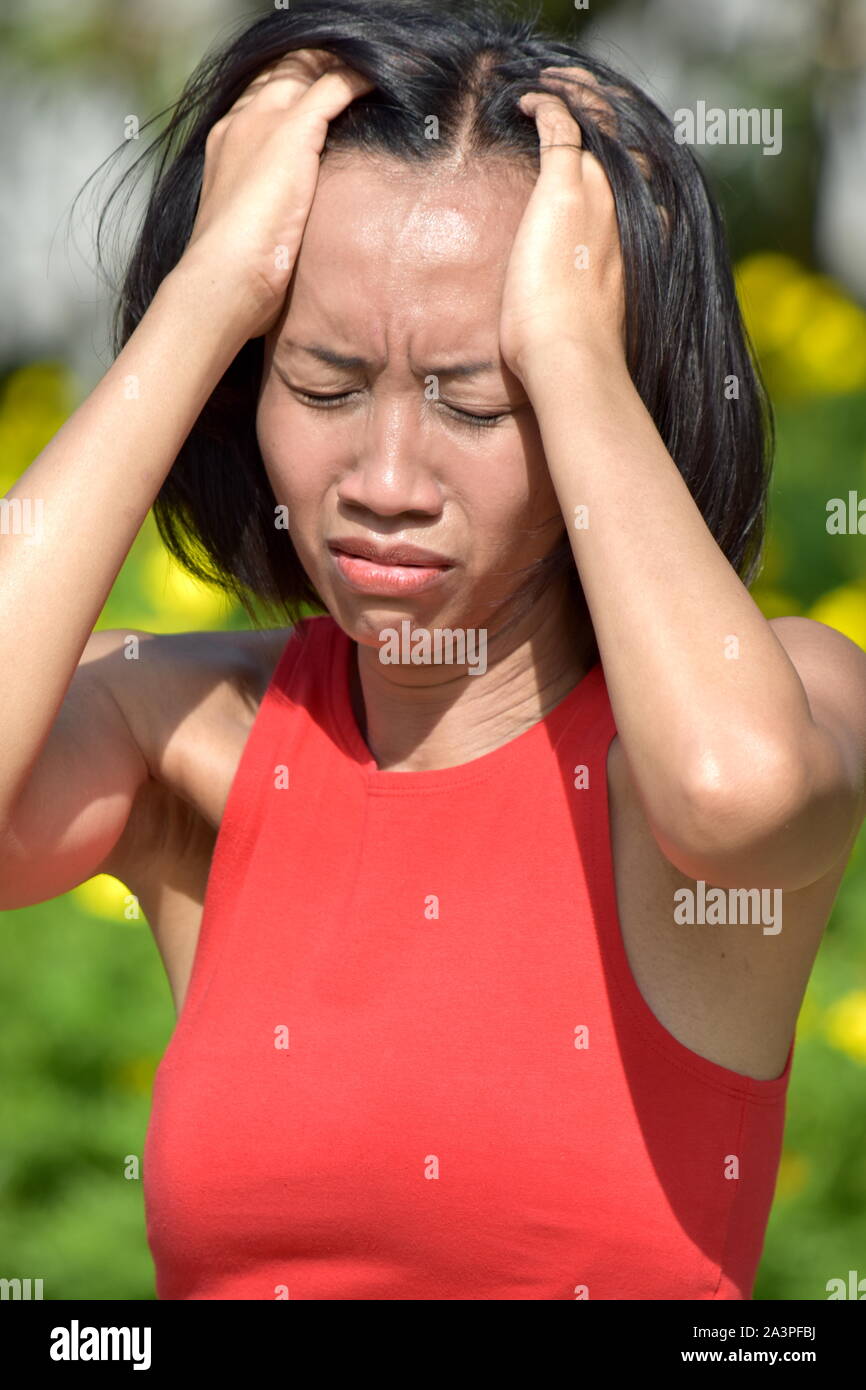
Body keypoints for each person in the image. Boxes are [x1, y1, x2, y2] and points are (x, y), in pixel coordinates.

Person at [2, 0, 864, 1301]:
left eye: (476, 397)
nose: (386, 479)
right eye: (324, 384)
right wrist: (200, 299)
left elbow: (731, 793)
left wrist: (569, 351)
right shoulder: (189, 736)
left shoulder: (774, 703)